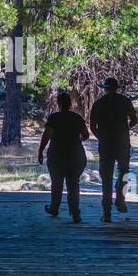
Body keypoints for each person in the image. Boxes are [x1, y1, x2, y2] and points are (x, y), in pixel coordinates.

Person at [89, 76, 138, 223]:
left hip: (106, 145)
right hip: (122, 143)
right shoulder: (124, 101)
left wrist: (101, 138)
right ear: (116, 88)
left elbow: (92, 127)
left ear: (105, 89)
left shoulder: (98, 104)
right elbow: (134, 119)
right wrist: (126, 129)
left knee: (106, 178)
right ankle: (120, 198)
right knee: (124, 172)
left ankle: (107, 213)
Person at [38, 90, 89, 223]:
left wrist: (40, 151)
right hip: (76, 155)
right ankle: (75, 213)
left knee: (57, 183)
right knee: (73, 184)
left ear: (59, 103)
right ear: (70, 103)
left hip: (56, 155)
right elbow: (86, 134)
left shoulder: (54, 118)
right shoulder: (77, 118)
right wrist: (77, 139)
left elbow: (46, 135)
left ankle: (54, 208)